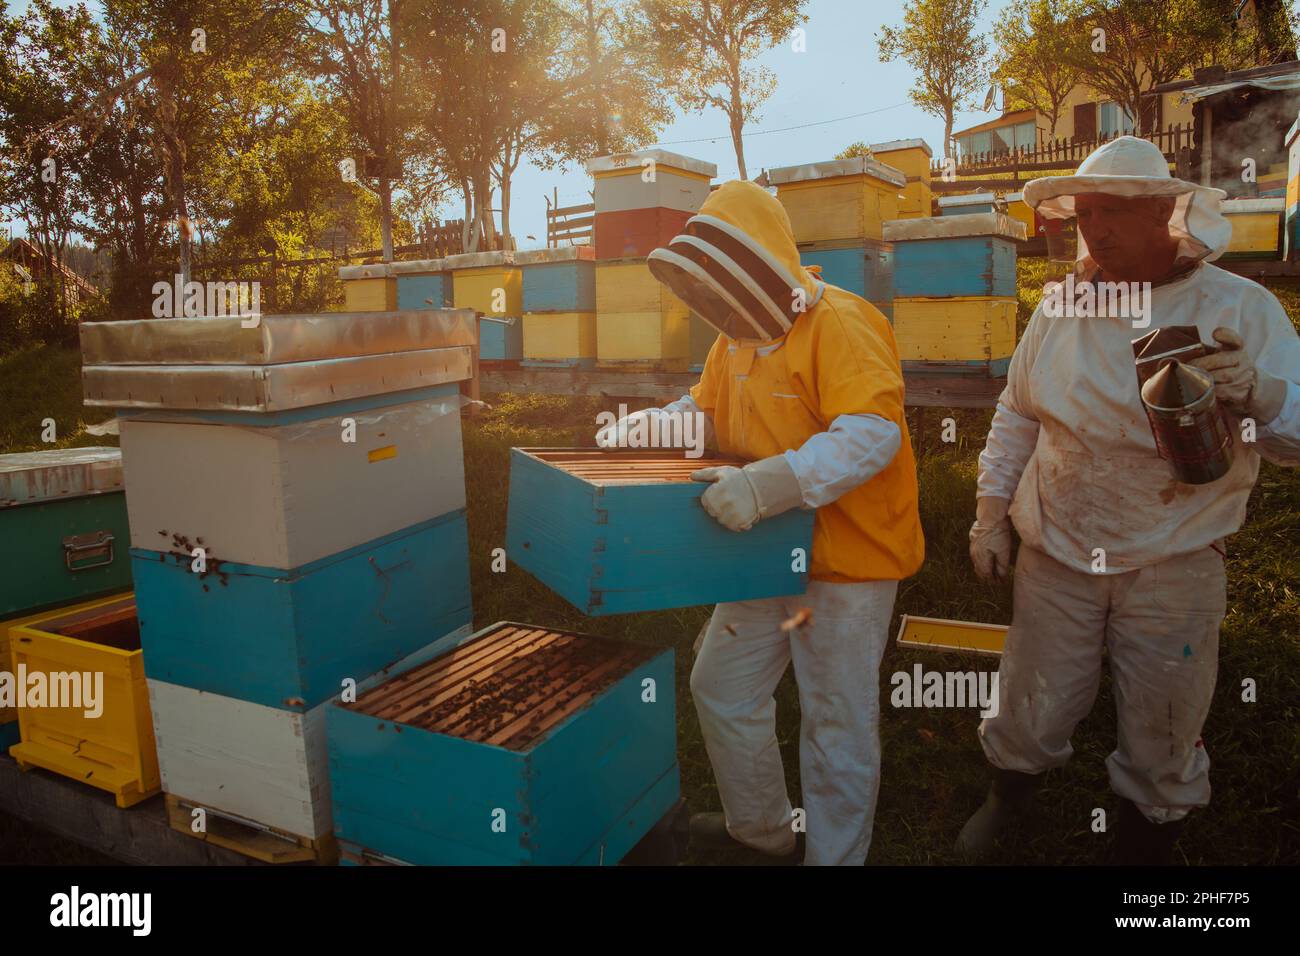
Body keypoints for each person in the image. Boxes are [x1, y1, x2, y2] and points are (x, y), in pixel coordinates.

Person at [960, 136, 1300, 864]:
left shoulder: (1243, 306)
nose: (1096, 230)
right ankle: (1008, 793)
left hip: (1176, 552)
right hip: (1056, 539)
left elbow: (1293, 441)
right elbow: (1018, 411)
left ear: (1163, 215)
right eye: (1085, 215)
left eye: (1114, 212)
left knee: (1166, 714)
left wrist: (1259, 392)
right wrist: (991, 514)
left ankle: (1149, 836)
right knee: (1032, 693)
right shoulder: (1061, 307)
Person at [594, 180, 923, 866]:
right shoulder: (735, 339)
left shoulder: (842, 323)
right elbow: (706, 409)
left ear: (761, 265)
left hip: (846, 561)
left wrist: (767, 484)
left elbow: (871, 434)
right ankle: (765, 833)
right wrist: (651, 427)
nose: (718, 307)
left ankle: (834, 857)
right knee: (721, 685)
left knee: (834, 721)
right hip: (763, 553)